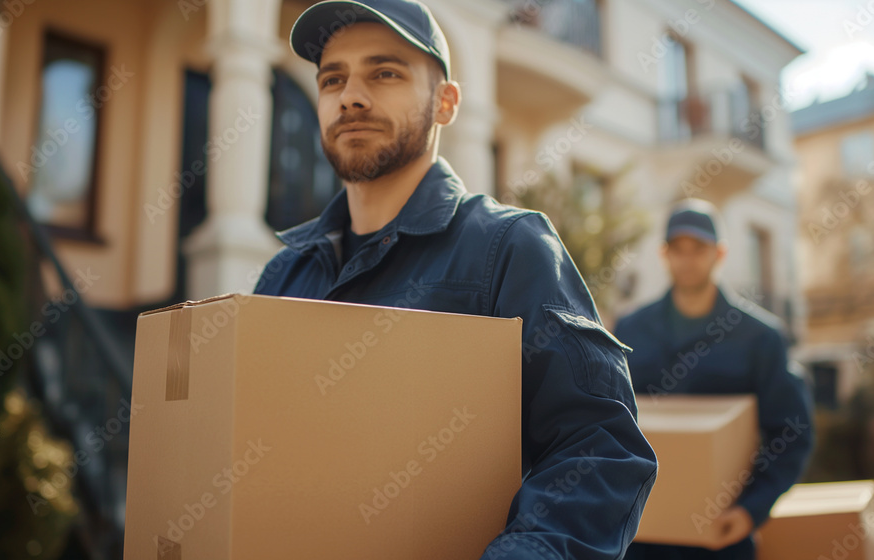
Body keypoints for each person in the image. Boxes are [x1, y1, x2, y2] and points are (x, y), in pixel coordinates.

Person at [253, 1, 658, 558]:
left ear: (445, 103)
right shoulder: (284, 274)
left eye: (385, 73)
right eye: (332, 79)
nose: (350, 95)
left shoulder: (508, 247)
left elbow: (599, 448)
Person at [614, 199, 814, 560]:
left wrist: (751, 510)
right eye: (678, 249)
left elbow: (792, 431)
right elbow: (613, 422)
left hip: (722, 535)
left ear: (719, 253)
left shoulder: (759, 336)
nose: (688, 260)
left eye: (699, 249)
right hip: (642, 534)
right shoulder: (631, 329)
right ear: (664, 254)